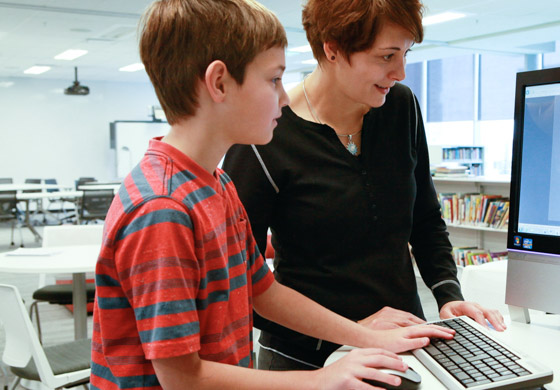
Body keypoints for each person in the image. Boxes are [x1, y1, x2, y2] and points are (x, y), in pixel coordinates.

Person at [90, 1, 454, 389]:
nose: (284, 98)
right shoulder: (162, 209)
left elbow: (263, 291)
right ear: (219, 83)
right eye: (274, 80)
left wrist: (367, 337)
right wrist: (323, 379)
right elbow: (183, 378)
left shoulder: (216, 185)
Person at [223, 0, 506, 371]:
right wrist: (353, 332)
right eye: (387, 56)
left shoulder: (400, 107)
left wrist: (447, 295)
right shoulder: (266, 134)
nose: (401, 72)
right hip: (307, 360)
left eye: (406, 53)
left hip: (404, 346)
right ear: (333, 48)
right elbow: (243, 284)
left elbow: (425, 218)